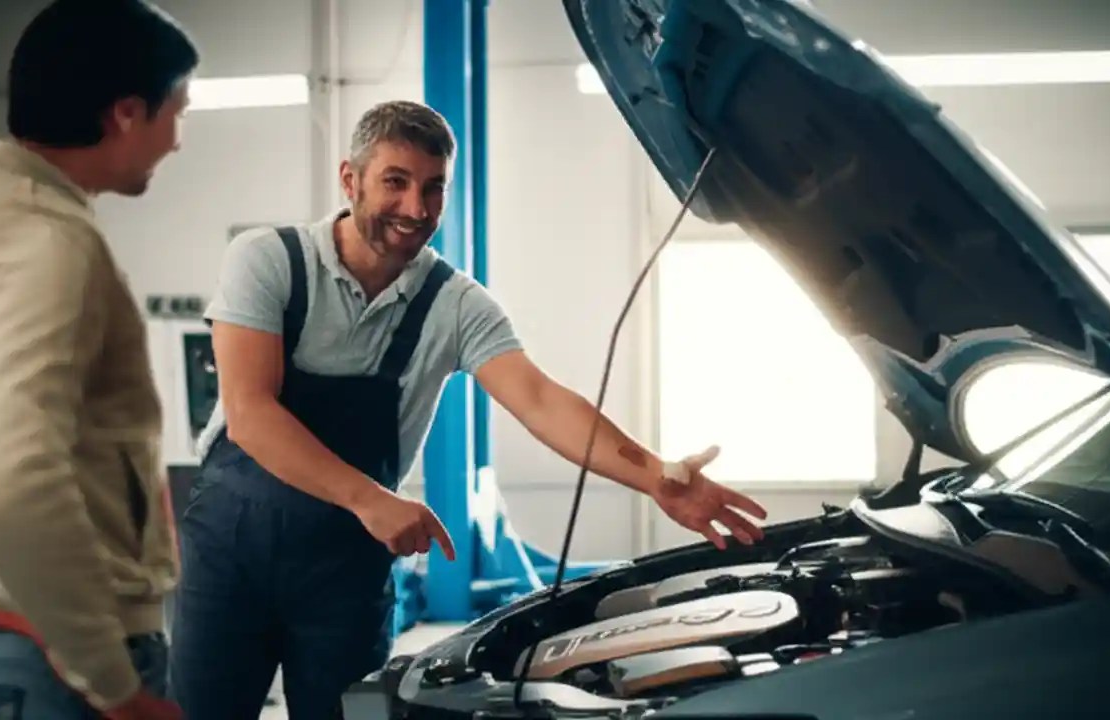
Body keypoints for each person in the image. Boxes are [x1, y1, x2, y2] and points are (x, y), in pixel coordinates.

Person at [168, 99, 769, 719]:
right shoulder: (269, 260)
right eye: (395, 183)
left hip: (345, 564)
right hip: (231, 549)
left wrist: (655, 477)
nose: (416, 209)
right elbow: (250, 412)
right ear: (350, 181)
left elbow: (540, 399)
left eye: (434, 189)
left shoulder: (453, 303)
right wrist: (371, 499)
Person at [0, 1, 197, 718]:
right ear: (126, 112)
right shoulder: (46, 241)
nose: (178, 141)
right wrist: (110, 681)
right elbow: (10, 479)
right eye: (176, 112)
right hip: (41, 660)